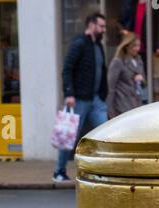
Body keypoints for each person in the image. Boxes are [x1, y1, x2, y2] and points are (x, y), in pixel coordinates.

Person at [53, 11, 108, 185]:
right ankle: (59, 171)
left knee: (105, 134)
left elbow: (101, 71)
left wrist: (102, 95)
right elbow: (67, 69)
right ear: (91, 25)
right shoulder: (79, 44)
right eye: (101, 26)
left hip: (96, 100)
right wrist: (69, 93)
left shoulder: (98, 46)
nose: (103, 30)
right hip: (79, 99)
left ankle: (103, 172)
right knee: (69, 135)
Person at [107, 32, 145, 119]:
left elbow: (144, 83)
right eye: (134, 46)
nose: (137, 49)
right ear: (127, 46)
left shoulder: (138, 60)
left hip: (137, 103)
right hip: (122, 105)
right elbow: (111, 88)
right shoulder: (118, 61)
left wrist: (141, 80)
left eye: (139, 46)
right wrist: (110, 110)